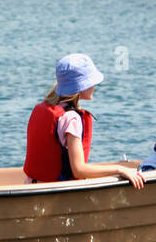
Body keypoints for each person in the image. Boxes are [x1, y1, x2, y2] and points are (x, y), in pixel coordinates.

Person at [24, 54, 145, 188]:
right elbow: (79, 169)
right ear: (80, 86)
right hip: (55, 192)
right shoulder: (72, 119)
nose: (95, 85)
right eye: (91, 81)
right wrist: (119, 169)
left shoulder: (46, 107)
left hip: (32, 185)